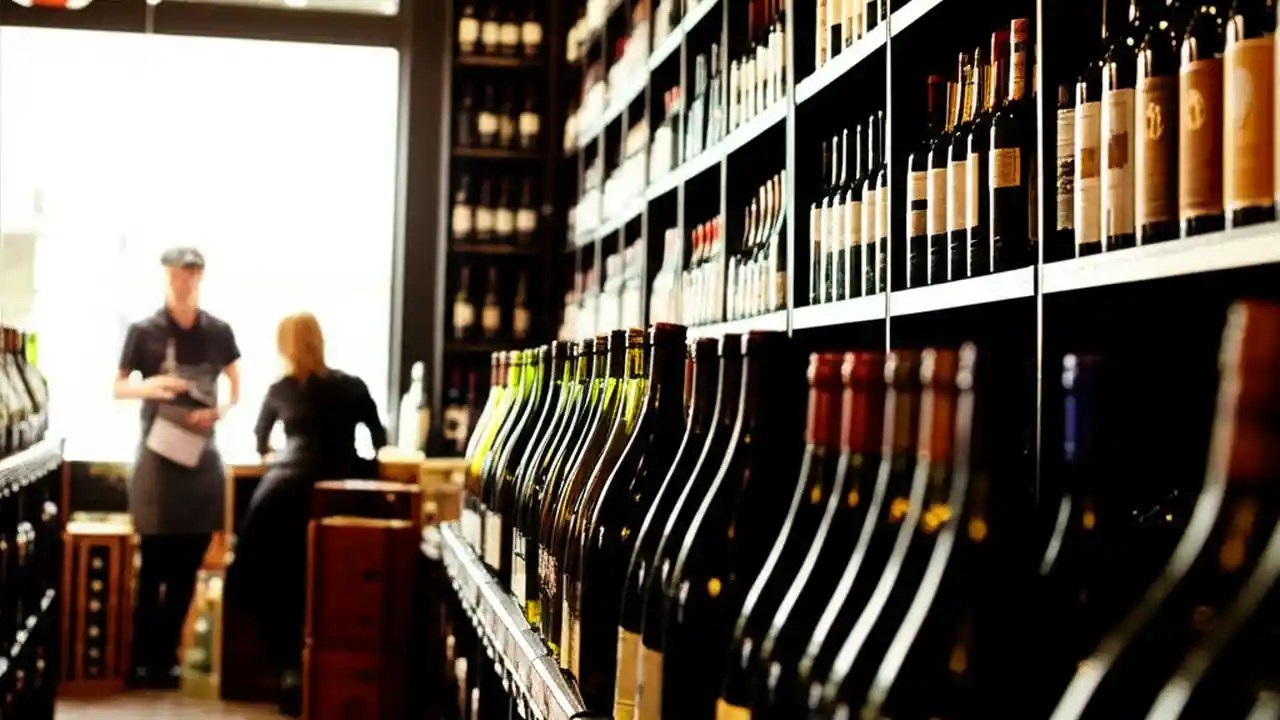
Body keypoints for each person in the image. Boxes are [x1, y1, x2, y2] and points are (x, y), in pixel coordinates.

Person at [226, 311, 387, 716]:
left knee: (262, 573)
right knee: (331, 579)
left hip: (282, 496)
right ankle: (335, 664)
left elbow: (260, 443)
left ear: (285, 347)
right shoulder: (352, 386)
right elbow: (380, 442)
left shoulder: (281, 389)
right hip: (340, 497)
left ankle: (286, 669)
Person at [114, 246, 241, 689]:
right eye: (175, 276)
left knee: (187, 567)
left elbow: (235, 390)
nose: (182, 283)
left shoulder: (219, 331)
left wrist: (218, 411)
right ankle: (142, 661)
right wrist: (153, 385)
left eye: (190, 276)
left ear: (200, 278)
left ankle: (168, 658)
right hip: (156, 459)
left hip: (201, 460)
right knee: (151, 568)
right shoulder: (143, 331)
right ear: (165, 277)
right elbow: (118, 388)